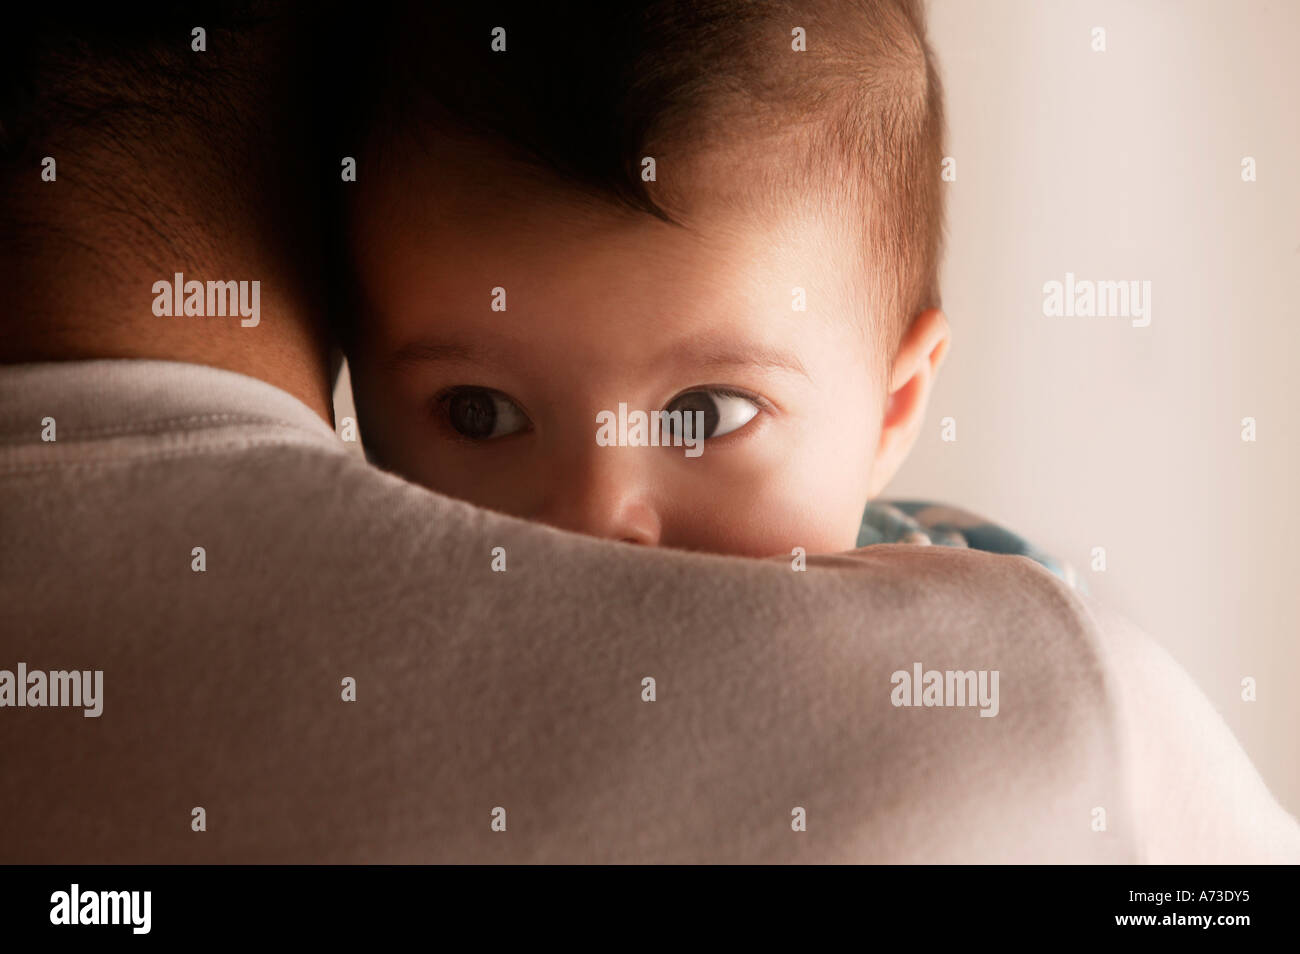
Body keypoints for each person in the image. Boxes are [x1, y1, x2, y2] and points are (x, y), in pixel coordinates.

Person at [0, 1, 1295, 863]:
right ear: (353, 371)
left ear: (896, 403)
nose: (595, 512)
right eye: (479, 412)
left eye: (707, 413)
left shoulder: (1024, 639)